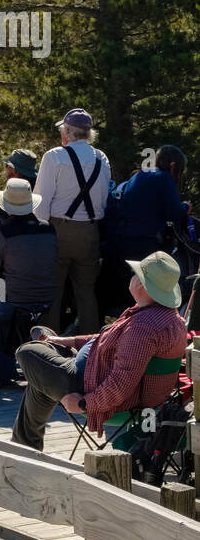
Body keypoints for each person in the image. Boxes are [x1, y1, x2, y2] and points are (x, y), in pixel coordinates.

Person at [11, 251, 187, 452]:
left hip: (95, 389)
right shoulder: (167, 317)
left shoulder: (143, 327)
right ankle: (23, 449)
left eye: (135, 273)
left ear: (142, 285)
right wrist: (71, 341)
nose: (131, 276)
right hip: (96, 369)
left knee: (27, 352)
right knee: (40, 376)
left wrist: (85, 404)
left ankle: (23, 448)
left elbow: (122, 383)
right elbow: (109, 339)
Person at [34, 108, 112, 333]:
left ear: (66, 132)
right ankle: (91, 344)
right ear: (88, 134)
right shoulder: (101, 158)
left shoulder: (54, 156)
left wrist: (43, 234)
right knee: (86, 292)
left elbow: (41, 202)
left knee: (54, 290)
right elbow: (103, 200)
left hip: (58, 229)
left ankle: (48, 345)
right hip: (90, 230)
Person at [99, 145, 189, 315]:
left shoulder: (140, 175)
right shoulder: (164, 178)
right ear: (172, 165)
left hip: (121, 239)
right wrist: (185, 207)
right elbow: (174, 212)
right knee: (145, 289)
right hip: (144, 241)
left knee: (129, 289)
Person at [0, 179, 58, 308]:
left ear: (5, 206)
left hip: (14, 300)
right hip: (48, 298)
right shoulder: (49, 229)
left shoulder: (1, 233)